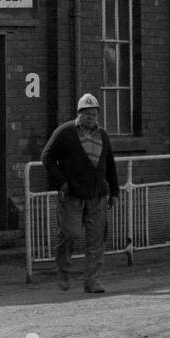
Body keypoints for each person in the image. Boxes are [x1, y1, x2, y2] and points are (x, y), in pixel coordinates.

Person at [40, 93, 119, 295]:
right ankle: (63, 269)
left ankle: (92, 281)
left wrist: (114, 191)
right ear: (79, 114)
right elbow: (47, 157)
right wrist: (62, 183)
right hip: (72, 195)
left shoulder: (103, 135)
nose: (91, 117)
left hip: (97, 195)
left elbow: (109, 164)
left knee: (96, 239)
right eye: (87, 113)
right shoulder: (65, 132)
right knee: (70, 233)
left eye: (94, 113)